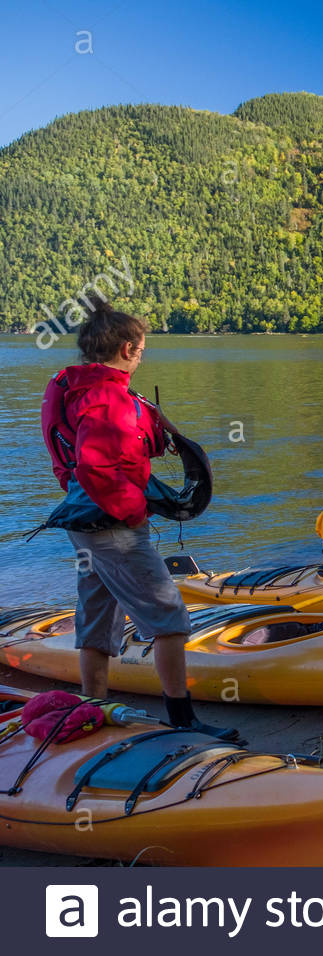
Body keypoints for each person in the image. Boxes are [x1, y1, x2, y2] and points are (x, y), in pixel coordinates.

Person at [39, 294, 238, 740]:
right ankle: (182, 720)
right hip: (114, 527)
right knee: (170, 618)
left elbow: (73, 461)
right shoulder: (108, 399)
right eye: (142, 349)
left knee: (97, 615)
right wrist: (131, 513)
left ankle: (95, 709)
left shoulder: (73, 387)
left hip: (83, 523)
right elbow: (95, 464)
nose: (142, 357)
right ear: (127, 348)